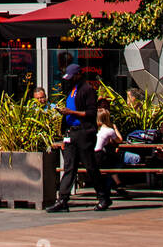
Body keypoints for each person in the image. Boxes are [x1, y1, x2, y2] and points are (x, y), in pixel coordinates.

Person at [46, 63, 111, 213]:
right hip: (71, 133)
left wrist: (71, 113)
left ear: (78, 75)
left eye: (71, 77)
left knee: (90, 166)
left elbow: (91, 113)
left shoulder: (87, 90)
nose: (69, 80)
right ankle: (62, 200)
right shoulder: (72, 90)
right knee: (69, 167)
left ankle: (103, 197)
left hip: (84, 132)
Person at [95, 108, 131, 199]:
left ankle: (116, 184)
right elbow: (119, 140)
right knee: (114, 162)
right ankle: (118, 183)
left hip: (91, 155)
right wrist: (115, 128)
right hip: (99, 155)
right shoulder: (109, 130)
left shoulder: (95, 130)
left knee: (109, 163)